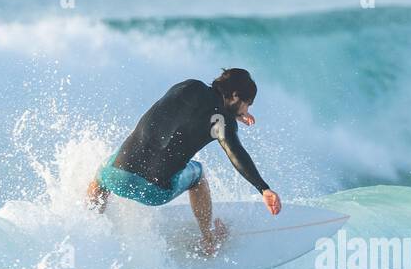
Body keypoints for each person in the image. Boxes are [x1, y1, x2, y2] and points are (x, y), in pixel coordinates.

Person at [86, 68, 281, 255]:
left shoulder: (190, 87)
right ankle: (208, 240)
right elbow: (235, 151)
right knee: (198, 175)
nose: (247, 109)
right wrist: (263, 188)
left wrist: (233, 113)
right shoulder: (222, 121)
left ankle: (89, 225)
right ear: (236, 96)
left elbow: (191, 114)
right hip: (153, 192)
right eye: (247, 104)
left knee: (106, 167)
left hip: (116, 177)